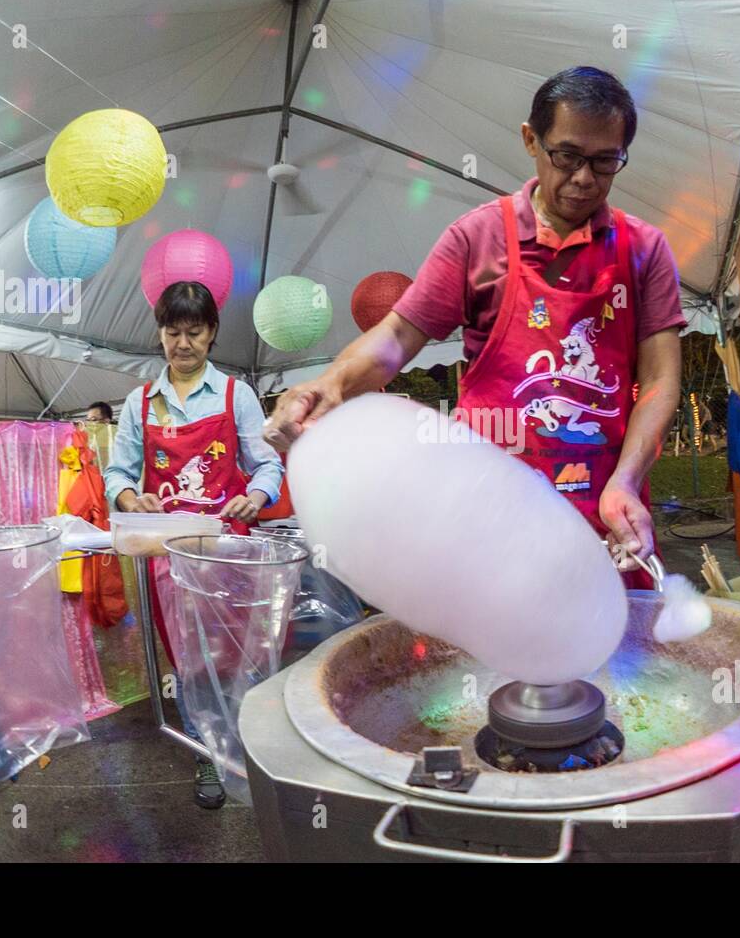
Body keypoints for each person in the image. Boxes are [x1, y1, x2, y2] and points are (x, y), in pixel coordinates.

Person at [266, 67, 685, 582]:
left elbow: (661, 380)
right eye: (568, 156)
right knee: (488, 653)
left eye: (605, 162)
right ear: (531, 139)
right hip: (489, 519)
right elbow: (398, 336)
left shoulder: (645, 249)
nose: (583, 178)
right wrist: (329, 384)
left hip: (606, 516)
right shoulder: (477, 238)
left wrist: (626, 480)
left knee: (610, 649)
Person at [104, 281, 284, 810]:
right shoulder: (140, 402)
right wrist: (132, 496)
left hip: (228, 552)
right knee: (190, 662)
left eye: (194, 332)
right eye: (172, 331)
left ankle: (248, 749)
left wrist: (256, 493)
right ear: (160, 333)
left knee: (238, 656)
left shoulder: (236, 395)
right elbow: (117, 472)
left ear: (212, 334)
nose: (182, 344)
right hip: (170, 557)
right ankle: (206, 751)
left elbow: (267, 463)